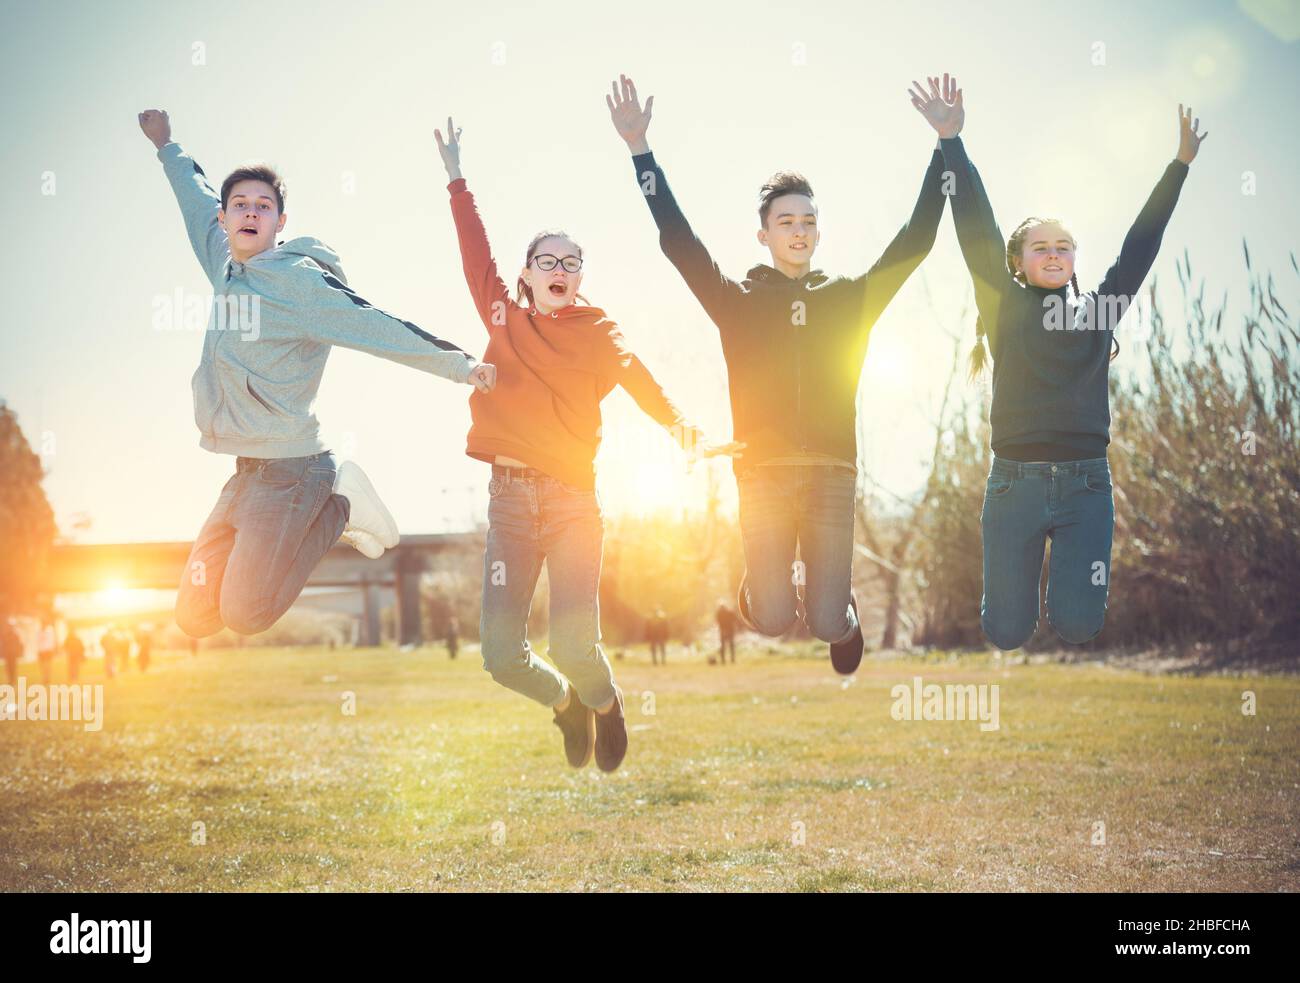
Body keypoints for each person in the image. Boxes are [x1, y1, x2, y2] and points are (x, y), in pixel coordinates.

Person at [608, 74, 948, 675]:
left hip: (830, 475)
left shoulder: (850, 299)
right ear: (763, 235)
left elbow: (915, 242)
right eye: (786, 221)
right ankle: (764, 588)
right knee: (766, 618)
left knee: (823, 620)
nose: (799, 230)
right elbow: (679, 242)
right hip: (761, 474)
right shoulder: (737, 303)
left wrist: (946, 145)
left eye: (809, 221)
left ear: (818, 233)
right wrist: (642, 153)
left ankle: (841, 617)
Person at [436, 115, 742, 771]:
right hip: (510, 503)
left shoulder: (598, 329)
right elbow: (474, 255)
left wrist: (684, 430)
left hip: (574, 502)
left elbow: (638, 377)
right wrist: (457, 180)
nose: (561, 270)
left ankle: (603, 701)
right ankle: (564, 705)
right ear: (526, 273)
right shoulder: (503, 315)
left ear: (580, 278)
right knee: (498, 654)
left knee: (575, 644)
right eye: (548, 260)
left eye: (572, 264)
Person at [137, 109, 495, 641]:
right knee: (193, 617)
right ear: (225, 219)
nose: (250, 213)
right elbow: (194, 199)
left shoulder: (300, 285)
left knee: (246, 613)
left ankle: (341, 502)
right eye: (240, 206)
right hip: (243, 473)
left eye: (264, 206)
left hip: (291, 471)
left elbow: (377, 326)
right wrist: (167, 146)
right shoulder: (223, 262)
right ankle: (331, 502)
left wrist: (462, 365)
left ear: (281, 222)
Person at [914, 76, 1205, 649]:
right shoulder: (1003, 303)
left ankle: (1070, 600)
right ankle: (1010, 601)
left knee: (1077, 625)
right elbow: (976, 228)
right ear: (1019, 263)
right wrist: (952, 141)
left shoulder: (1101, 312)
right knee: (1006, 631)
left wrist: (1179, 165)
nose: (1053, 254)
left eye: (1064, 247)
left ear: (1075, 262)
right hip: (1013, 484)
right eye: (1040, 247)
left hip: (1085, 485)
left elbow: (1141, 243)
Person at [715, 600, 736, 665]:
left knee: (726, 646)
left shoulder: (720, 613)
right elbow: (734, 619)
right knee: (728, 645)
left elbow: (717, 622)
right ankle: (728, 660)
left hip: (725, 630)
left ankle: (725, 660)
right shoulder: (728, 612)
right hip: (727, 630)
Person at [1, 617, 20, 687]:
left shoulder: (16, 634)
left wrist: (18, 652)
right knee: (8, 668)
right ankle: (10, 680)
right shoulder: (6, 635)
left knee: (13, 667)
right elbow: (3, 644)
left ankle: (13, 680)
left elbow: (18, 644)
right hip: (8, 654)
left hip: (13, 654)